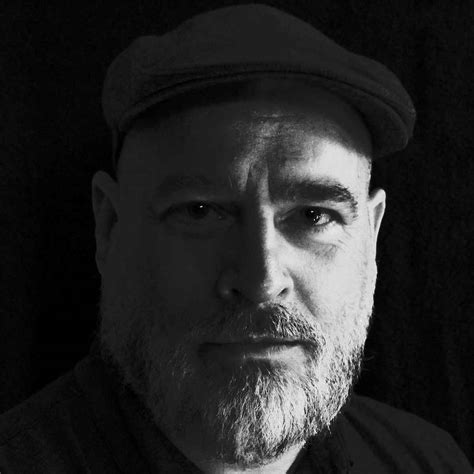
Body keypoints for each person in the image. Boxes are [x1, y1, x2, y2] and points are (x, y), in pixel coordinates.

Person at [0, 4, 472, 473]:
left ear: (370, 238)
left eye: (314, 216)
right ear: (109, 227)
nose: (262, 280)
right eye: (201, 211)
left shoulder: (429, 463)